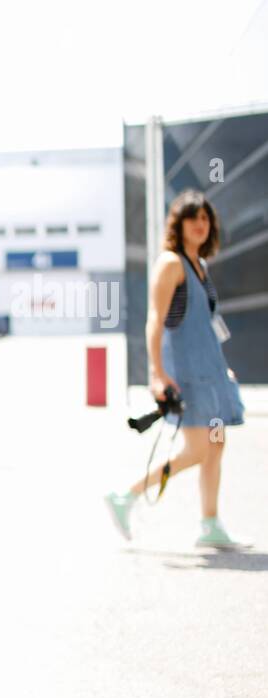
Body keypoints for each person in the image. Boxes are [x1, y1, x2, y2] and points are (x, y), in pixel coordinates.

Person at [104, 190, 250, 549]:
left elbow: (208, 325)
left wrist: (223, 370)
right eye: (193, 217)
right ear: (178, 224)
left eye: (205, 218)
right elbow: (154, 321)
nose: (201, 224)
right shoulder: (171, 264)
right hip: (187, 373)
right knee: (197, 450)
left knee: (216, 445)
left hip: (211, 372)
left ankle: (210, 524)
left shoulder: (201, 266)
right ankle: (127, 495)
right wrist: (156, 373)